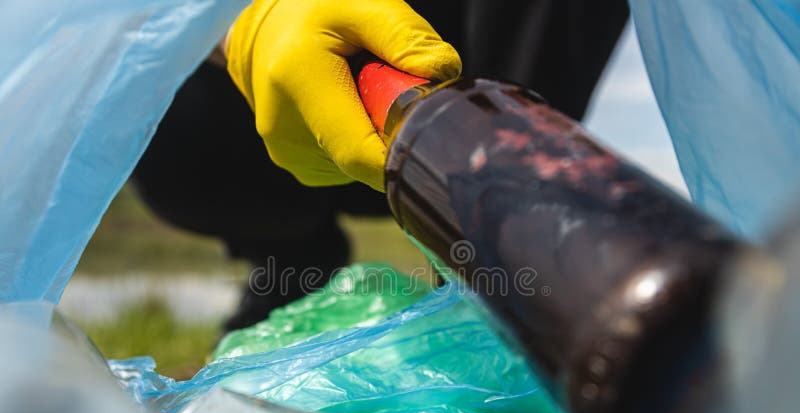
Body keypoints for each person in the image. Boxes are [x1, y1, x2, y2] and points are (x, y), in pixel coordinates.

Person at [132, 0, 630, 332]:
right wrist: (248, 26)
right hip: (304, 100)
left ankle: (490, 274)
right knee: (167, 125)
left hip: (474, 100)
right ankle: (291, 264)